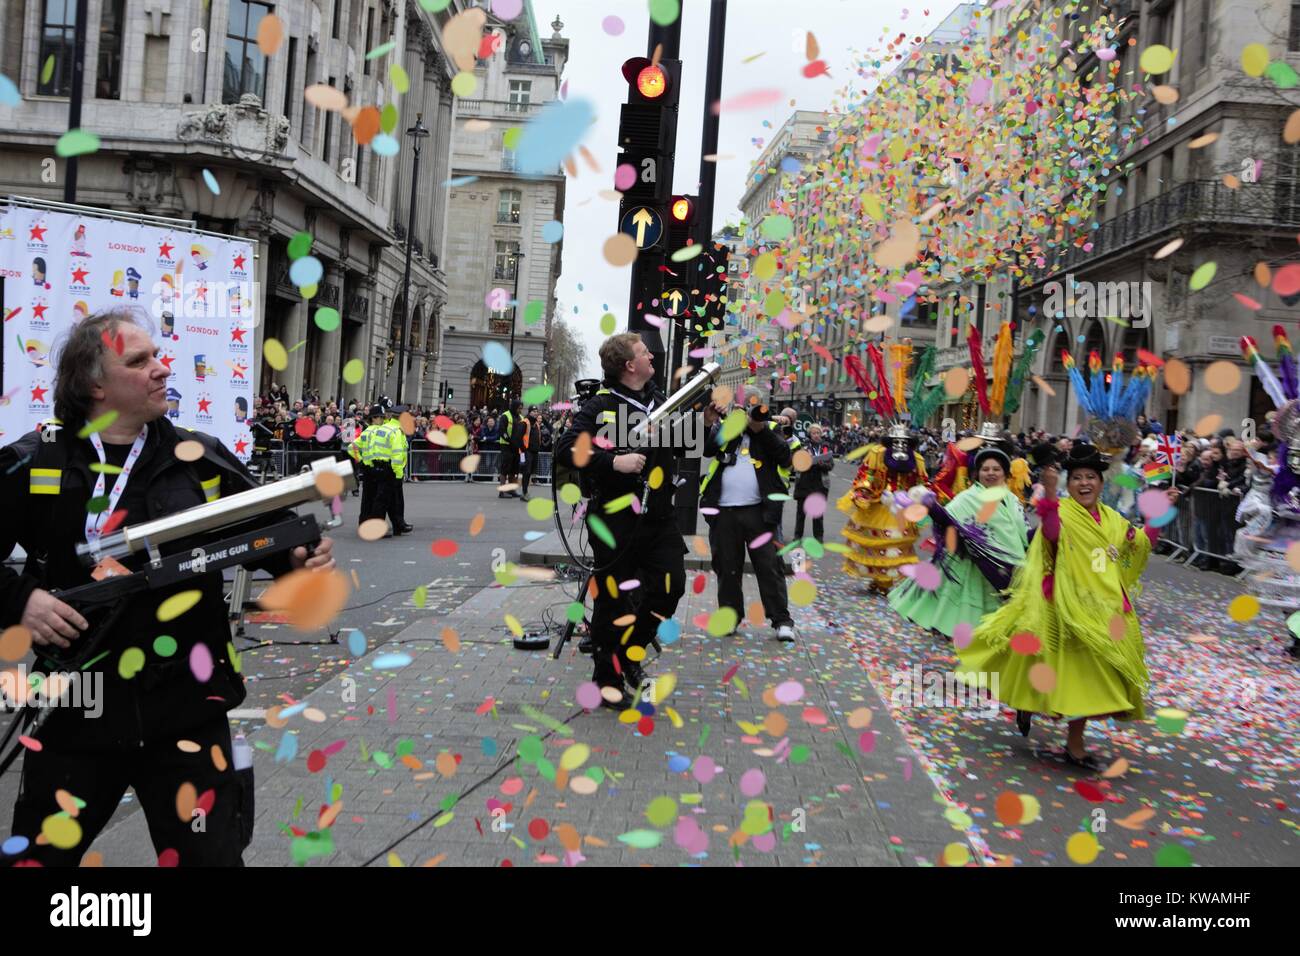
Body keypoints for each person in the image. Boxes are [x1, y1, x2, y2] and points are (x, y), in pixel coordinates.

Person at [0, 308, 335, 865]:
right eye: (140, 360)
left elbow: (270, 542)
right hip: (77, 707)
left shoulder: (198, 458)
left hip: (188, 711)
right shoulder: (39, 461)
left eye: (157, 355)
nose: (161, 368)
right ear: (94, 383)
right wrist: (21, 601)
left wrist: (301, 559)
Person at [956, 445, 1162, 771]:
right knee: (1056, 672)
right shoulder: (1062, 512)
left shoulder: (1112, 519)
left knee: (1090, 676)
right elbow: (1050, 534)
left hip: (1103, 609)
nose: (1084, 483)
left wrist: (1161, 514)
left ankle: (1074, 743)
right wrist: (1050, 492)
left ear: (1100, 482)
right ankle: (1037, 713)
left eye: (1090, 477)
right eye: (1077, 477)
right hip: (1063, 608)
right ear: (1069, 482)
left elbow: (1139, 542)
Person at [554, 332, 719, 705]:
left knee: (671, 587)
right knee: (613, 602)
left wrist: (706, 423)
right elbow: (567, 449)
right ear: (630, 365)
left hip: (658, 516)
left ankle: (631, 653)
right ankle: (606, 681)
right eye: (645, 353)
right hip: (614, 520)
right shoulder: (602, 405)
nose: (652, 357)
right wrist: (614, 461)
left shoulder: (660, 402)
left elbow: (685, 445)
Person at [888, 443, 1028, 639]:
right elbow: (948, 521)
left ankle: (991, 631)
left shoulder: (1012, 500)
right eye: (985, 469)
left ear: (1005, 474)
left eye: (996, 469)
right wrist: (932, 507)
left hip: (1003, 564)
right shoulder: (968, 498)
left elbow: (1022, 532)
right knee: (964, 600)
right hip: (971, 563)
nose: (990, 473)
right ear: (977, 473)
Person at [699, 402, 797, 642]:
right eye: (745, 408)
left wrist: (758, 427)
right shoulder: (728, 428)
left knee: (769, 566)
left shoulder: (771, 428)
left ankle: (781, 621)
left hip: (760, 512)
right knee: (727, 566)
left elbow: (785, 457)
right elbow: (709, 448)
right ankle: (730, 618)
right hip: (724, 510)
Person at [792, 424, 834, 542]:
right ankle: (797, 536)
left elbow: (830, 466)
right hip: (804, 482)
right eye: (814, 433)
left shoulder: (825, 447)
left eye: (818, 433)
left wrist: (821, 463)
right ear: (810, 434)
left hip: (819, 484)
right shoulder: (804, 446)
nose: (816, 435)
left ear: (821, 434)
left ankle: (818, 537)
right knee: (801, 513)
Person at [498, 400, 524, 498]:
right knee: (505, 468)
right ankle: (502, 491)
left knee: (514, 469)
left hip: (516, 447)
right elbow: (502, 430)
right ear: (514, 407)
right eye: (519, 408)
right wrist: (509, 440)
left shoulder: (521, 418)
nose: (520, 410)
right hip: (506, 446)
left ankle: (512, 490)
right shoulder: (505, 416)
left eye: (521, 408)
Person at [520, 406, 541, 501]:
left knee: (530, 473)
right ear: (529, 412)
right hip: (527, 451)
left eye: (536, 411)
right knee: (526, 472)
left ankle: (525, 492)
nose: (535, 413)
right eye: (533, 411)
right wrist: (523, 451)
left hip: (534, 451)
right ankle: (524, 493)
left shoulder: (536, 423)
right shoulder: (525, 422)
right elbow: (519, 437)